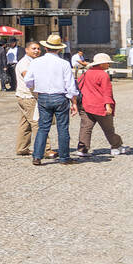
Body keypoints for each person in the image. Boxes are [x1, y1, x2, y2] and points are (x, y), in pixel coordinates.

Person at [24, 34, 78, 166]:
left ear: (46, 48)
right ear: (59, 49)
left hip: (43, 97)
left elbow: (28, 81)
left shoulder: (36, 62)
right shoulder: (64, 63)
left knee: (43, 127)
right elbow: (70, 85)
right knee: (63, 128)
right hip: (60, 97)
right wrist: (74, 102)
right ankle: (64, 158)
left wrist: (35, 87)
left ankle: (37, 156)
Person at [76, 53, 127, 157]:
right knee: (108, 129)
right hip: (100, 106)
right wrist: (108, 106)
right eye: (107, 63)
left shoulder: (85, 73)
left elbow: (79, 86)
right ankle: (116, 146)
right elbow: (106, 92)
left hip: (85, 105)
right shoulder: (103, 75)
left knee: (86, 128)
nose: (108, 64)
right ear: (101, 64)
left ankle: (82, 149)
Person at [12, 41, 44, 155]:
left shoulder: (34, 62)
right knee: (37, 122)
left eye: (38, 49)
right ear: (27, 50)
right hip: (28, 96)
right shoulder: (25, 62)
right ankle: (45, 149)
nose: (36, 51)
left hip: (25, 95)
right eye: (34, 48)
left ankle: (22, 148)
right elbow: (28, 78)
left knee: (25, 123)